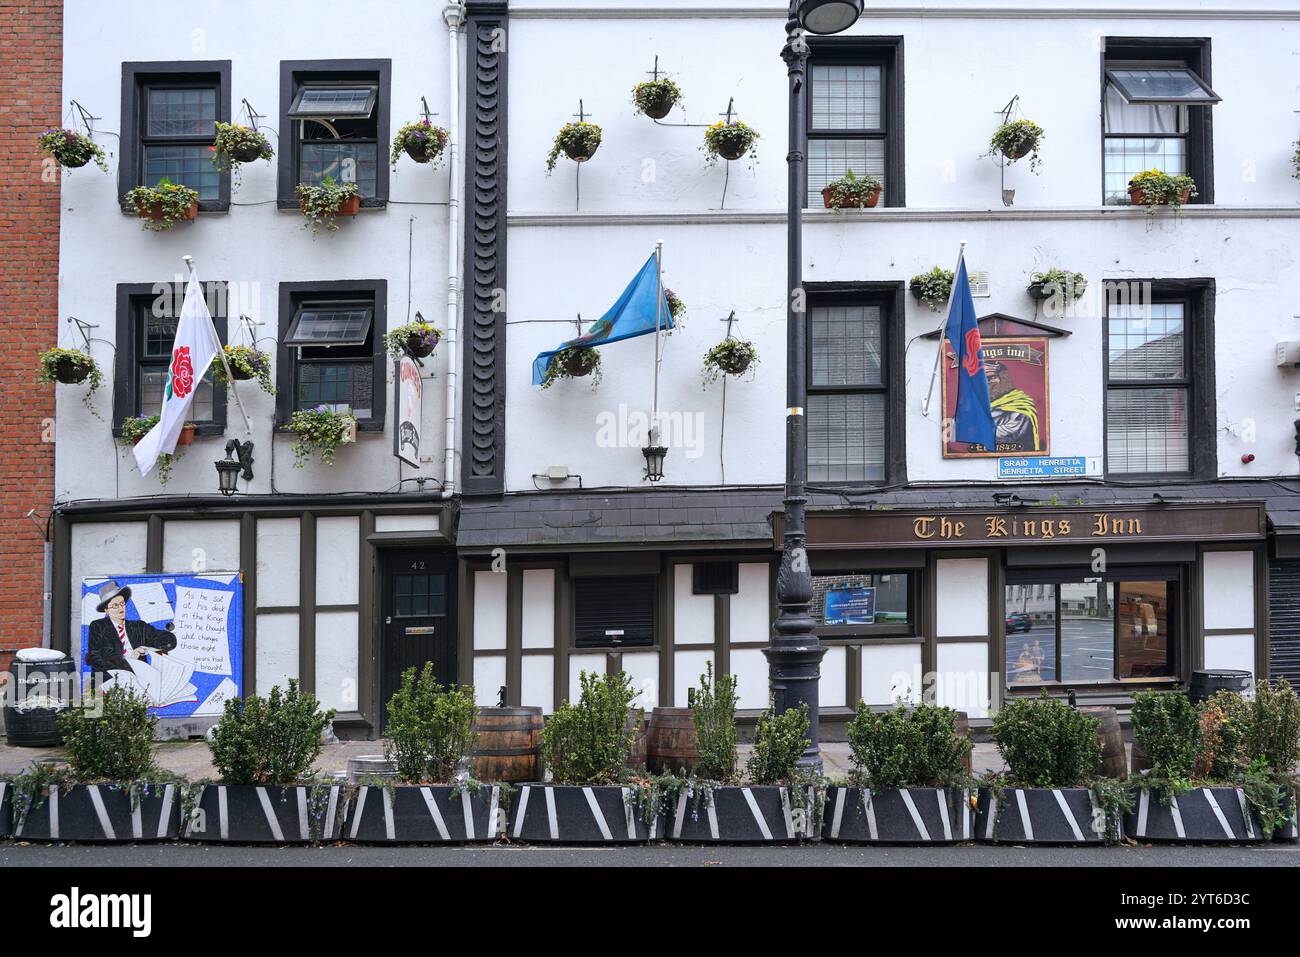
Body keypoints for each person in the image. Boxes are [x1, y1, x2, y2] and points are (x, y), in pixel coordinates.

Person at [85, 580, 176, 687]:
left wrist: (147, 648)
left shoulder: (138, 627)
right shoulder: (98, 627)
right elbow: (97, 658)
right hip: (108, 682)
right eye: (115, 605)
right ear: (106, 610)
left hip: (138, 682)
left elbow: (169, 639)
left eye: (122, 604)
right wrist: (130, 660)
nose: (120, 608)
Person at [984, 360, 1041, 452]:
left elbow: (1010, 431)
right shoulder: (980, 405)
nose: (987, 383)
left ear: (1004, 378)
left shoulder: (1019, 405)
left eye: (992, 377)